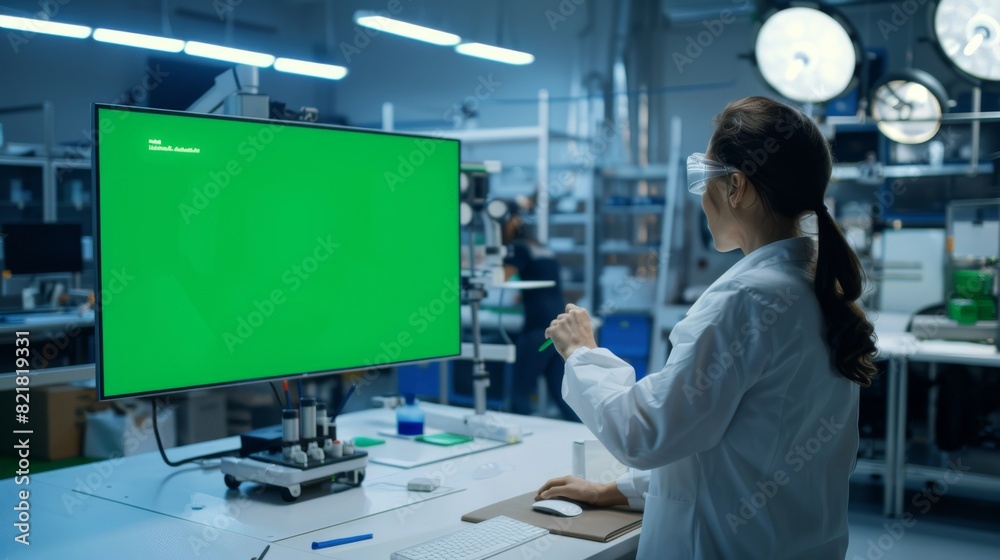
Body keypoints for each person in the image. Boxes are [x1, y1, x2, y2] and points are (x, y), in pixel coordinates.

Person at [536, 97, 877, 558]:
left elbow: (647, 433)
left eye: (706, 179)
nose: (702, 197)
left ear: (736, 186)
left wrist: (581, 354)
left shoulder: (746, 300)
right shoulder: (812, 286)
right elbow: (725, 444)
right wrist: (613, 491)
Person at [498, 197, 578, 421]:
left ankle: (516, 444)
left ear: (512, 222)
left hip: (537, 333)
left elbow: (500, 277)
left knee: (518, 395)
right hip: (557, 329)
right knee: (563, 397)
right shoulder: (540, 246)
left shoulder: (517, 248)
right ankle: (587, 439)